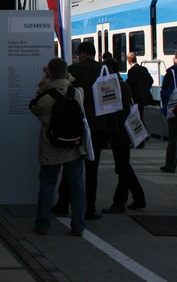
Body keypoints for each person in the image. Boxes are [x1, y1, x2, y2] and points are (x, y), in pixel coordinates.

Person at [53, 40, 115, 220]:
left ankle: (63, 204)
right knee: (92, 169)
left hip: (77, 125)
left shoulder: (73, 70)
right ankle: (90, 209)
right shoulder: (107, 71)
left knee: (70, 165)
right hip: (98, 127)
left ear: (81, 53)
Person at [29, 57, 87, 236]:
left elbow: (33, 107)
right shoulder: (77, 94)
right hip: (74, 147)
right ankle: (78, 226)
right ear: (66, 72)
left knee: (47, 184)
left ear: (50, 74)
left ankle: (43, 225)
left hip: (51, 147)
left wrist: (42, 86)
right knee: (77, 186)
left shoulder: (45, 98)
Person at [101, 59, 146, 213]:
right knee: (124, 166)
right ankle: (139, 198)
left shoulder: (113, 86)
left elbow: (114, 112)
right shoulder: (123, 84)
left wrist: (109, 132)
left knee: (122, 168)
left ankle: (119, 203)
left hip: (119, 132)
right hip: (125, 131)